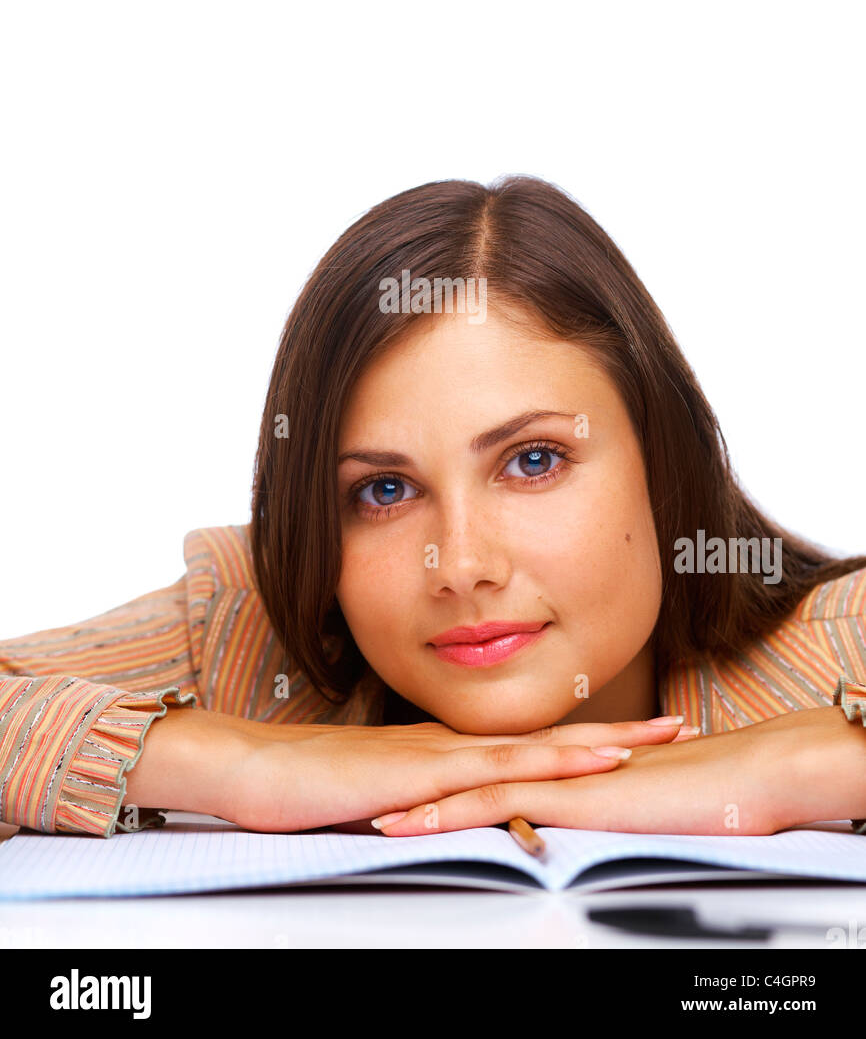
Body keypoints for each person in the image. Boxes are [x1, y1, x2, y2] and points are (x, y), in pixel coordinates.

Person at [3, 175, 866, 840]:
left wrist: (804, 764)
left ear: (664, 463)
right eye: (385, 491)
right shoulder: (234, 631)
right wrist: (229, 762)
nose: (459, 567)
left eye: (533, 461)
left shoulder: (840, 643)